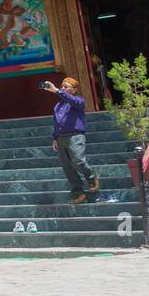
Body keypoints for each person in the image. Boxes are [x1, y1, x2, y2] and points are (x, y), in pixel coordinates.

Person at [44, 77, 98, 205]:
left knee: (78, 161)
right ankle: (78, 194)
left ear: (74, 90)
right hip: (61, 138)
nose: (63, 88)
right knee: (67, 168)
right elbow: (57, 123)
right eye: (62, 86)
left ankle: (92, 177)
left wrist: (57, 90)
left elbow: (73, 101)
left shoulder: (78, 101)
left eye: (67, 87)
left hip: (75, 136)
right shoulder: (58, 106)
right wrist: (55, 137)